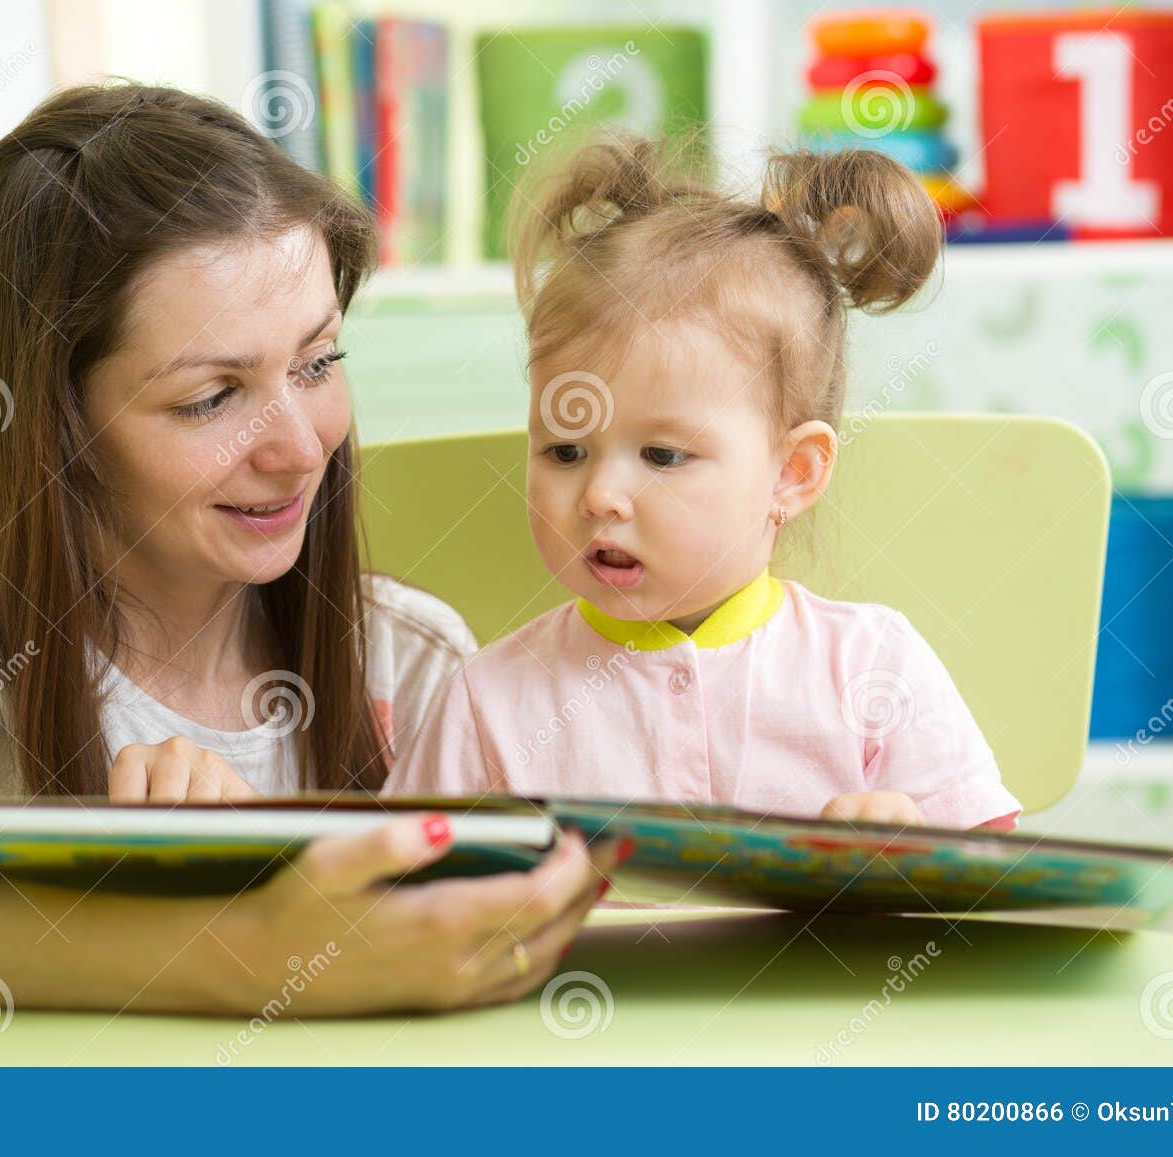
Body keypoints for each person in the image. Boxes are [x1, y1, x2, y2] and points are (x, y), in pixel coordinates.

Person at [0, 84, 620, 1017]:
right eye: (211, 397)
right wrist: (220, 946)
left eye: (318, 362)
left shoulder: (408, 661)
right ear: (51, 427)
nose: (300, 447)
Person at [387, 131, 1021, 832]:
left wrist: (913, 860)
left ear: (792, 472)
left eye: (661, 455)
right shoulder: (487, 703)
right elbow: (395, 904)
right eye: (565, 451)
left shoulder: (871, 664)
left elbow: (989, 887)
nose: (599, 495)